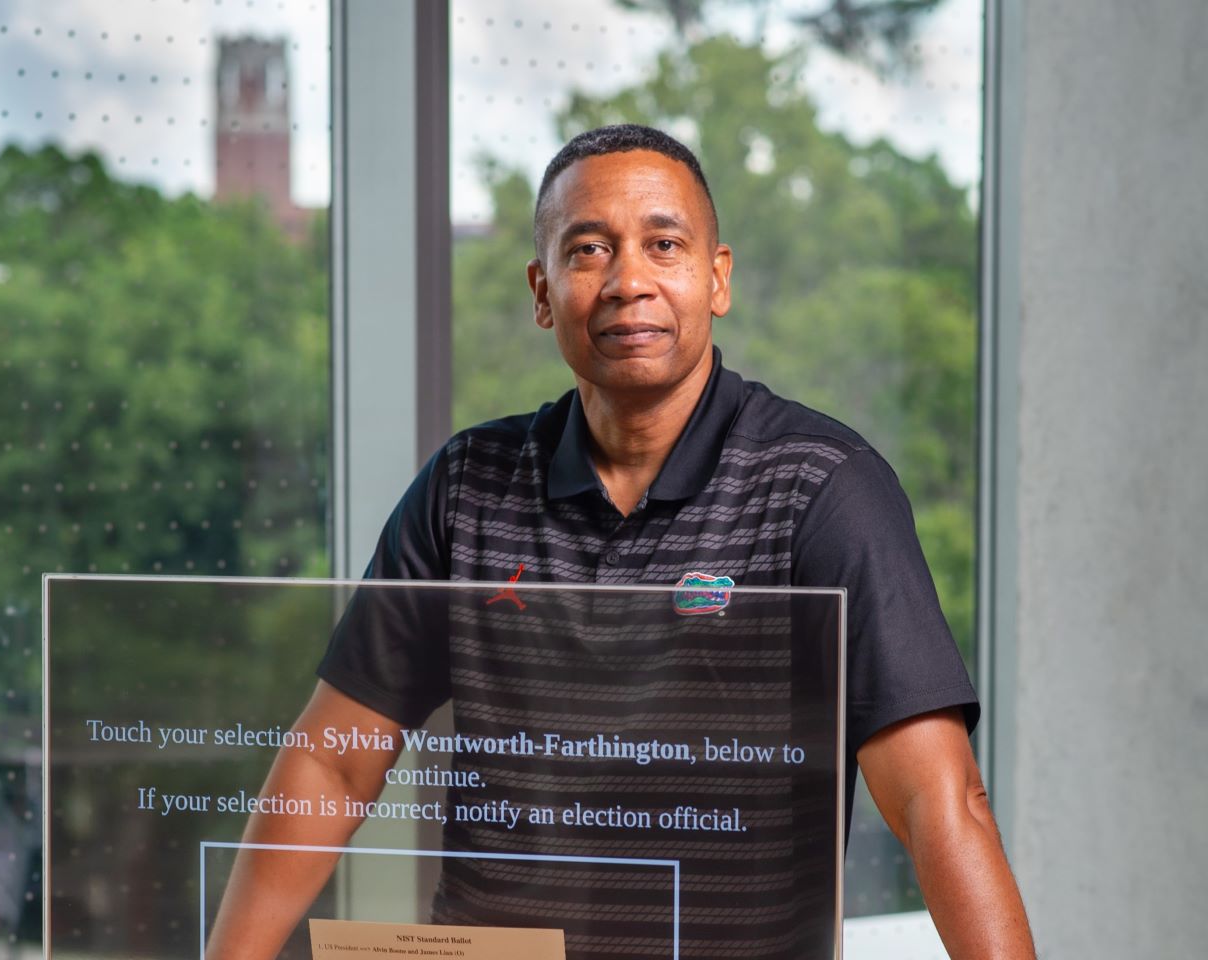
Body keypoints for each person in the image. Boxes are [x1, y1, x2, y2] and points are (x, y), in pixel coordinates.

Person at [208, 124, 1035, 959]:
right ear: (542, 292)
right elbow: (332, 762)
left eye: (664, 244)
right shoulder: (465, 488)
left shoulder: (823, 487)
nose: (628, 281)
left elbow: (940, 800)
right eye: (589, 250)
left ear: (717, 280)